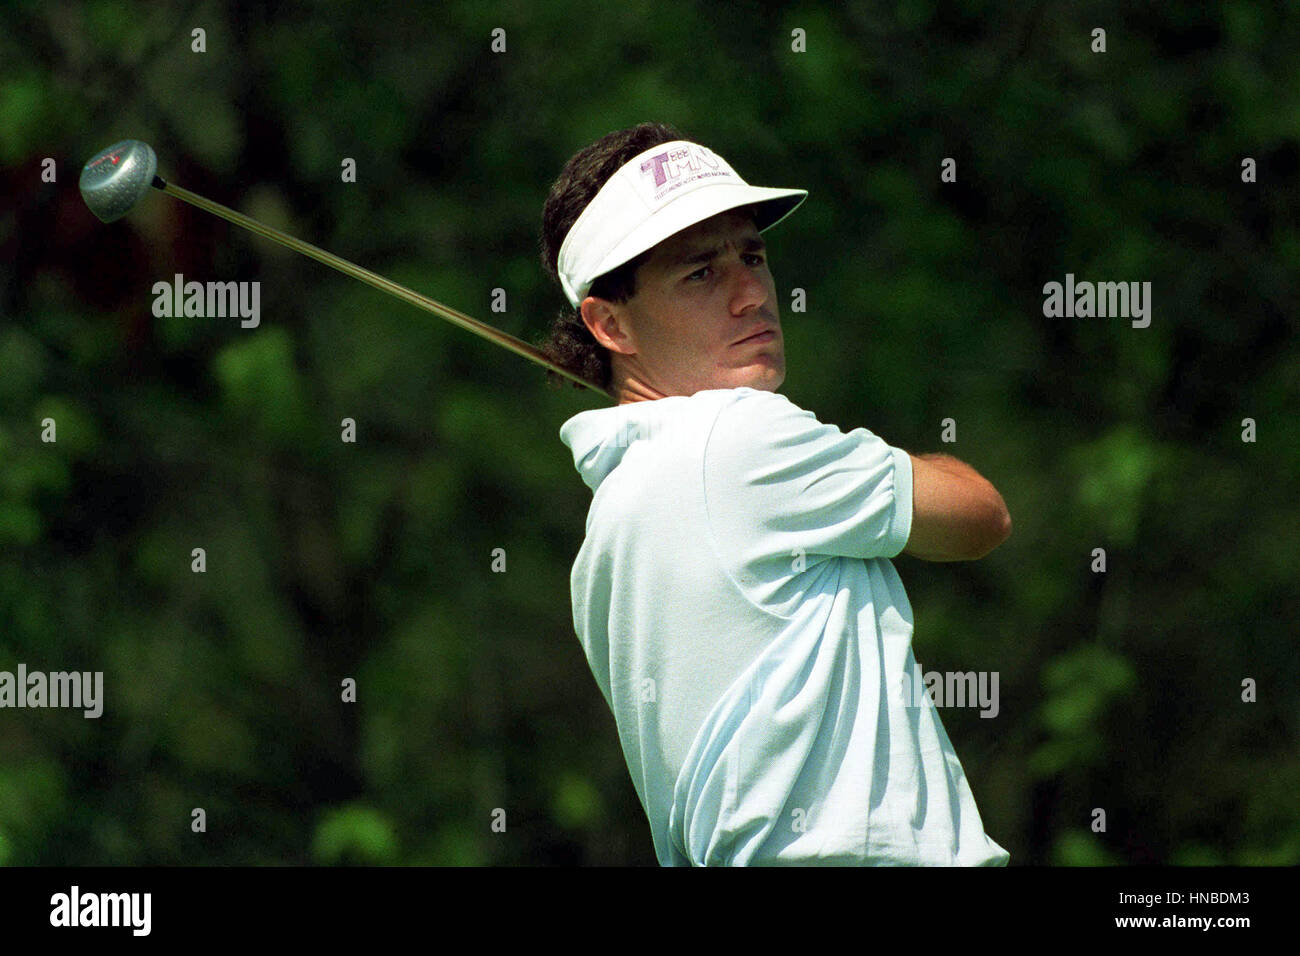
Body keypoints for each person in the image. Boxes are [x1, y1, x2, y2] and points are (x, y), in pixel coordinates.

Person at [537, 122, 1013, 866]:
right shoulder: (739, 437)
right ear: (609, 322)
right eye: (701, 274)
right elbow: (981, 515)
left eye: (752, 257)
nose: (753, 294)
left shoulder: (605, 532)